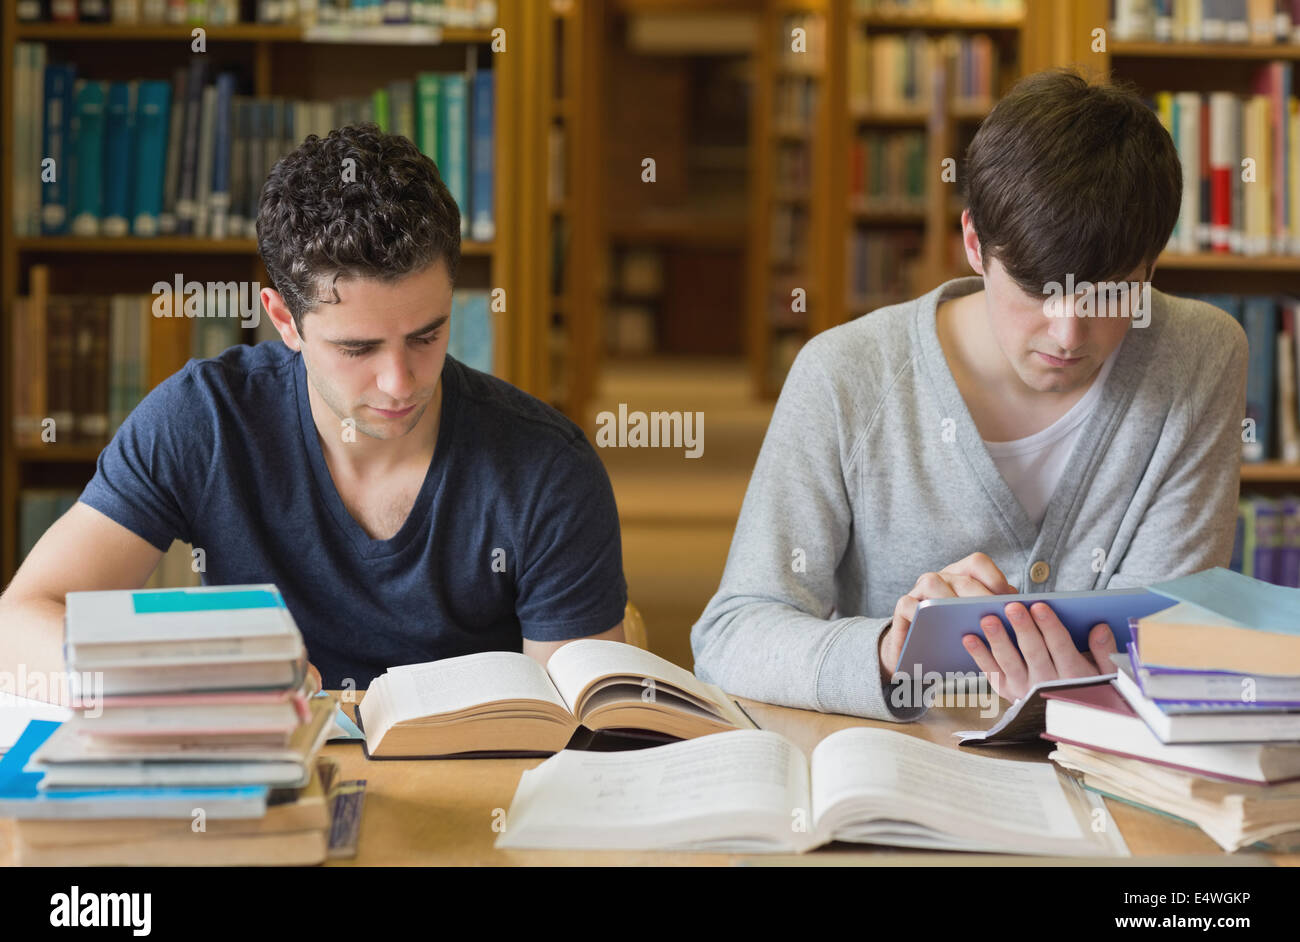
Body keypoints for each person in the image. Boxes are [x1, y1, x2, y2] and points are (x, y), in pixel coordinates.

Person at [691, 69, 1249, 721]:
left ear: (1151, 268)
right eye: (1037, 289)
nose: (1068, 332)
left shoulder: (1199, 358)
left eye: (1111, 293)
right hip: (898, 780)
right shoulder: (845, 374)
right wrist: (886, 653)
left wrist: (1078, 692)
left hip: (1104, 780)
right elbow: (730, 636)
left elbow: (1168, 644)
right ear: (975, 245)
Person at [0, 124, 627, 699]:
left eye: (427, 335)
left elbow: (575, 726)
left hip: (474, 802)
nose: (398, 381)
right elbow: (20, 624)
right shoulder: (205, 421)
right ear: (284, 321)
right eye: (357, 347)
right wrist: (180, 683)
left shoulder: (547, 467)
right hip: (264, 792)